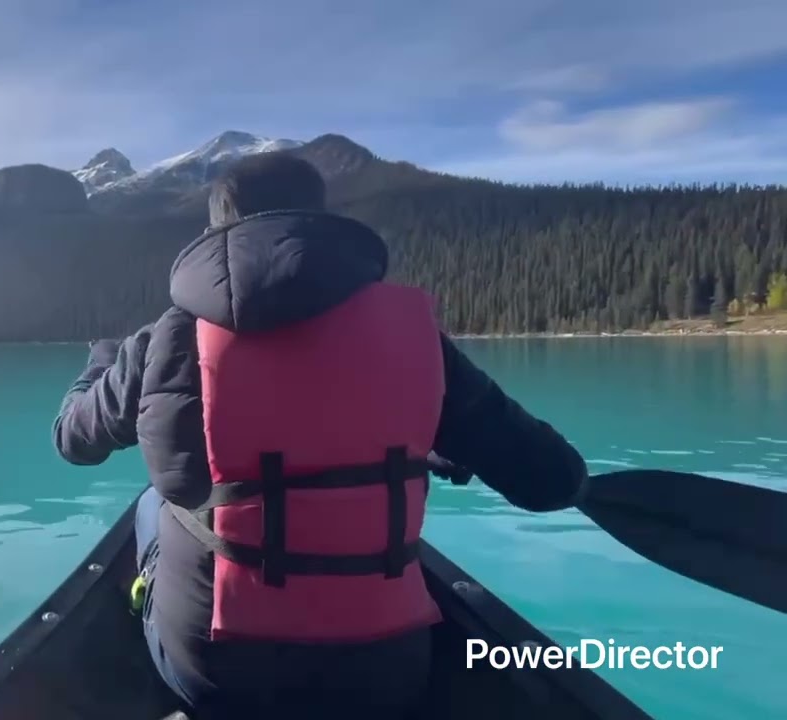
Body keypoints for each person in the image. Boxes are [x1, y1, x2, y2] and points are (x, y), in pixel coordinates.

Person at [51, 152, 587, 718]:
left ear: (214, 232)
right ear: (320, 220)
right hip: (384, 674)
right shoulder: (414, 337)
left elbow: (73, 441)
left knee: (153, 501)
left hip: (217, 675)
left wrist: (100, 364)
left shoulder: (165, 337)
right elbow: (551, 482)